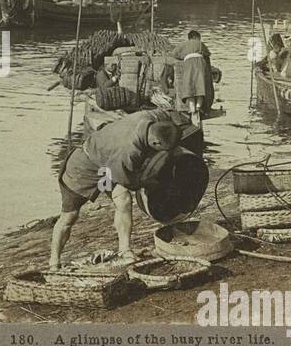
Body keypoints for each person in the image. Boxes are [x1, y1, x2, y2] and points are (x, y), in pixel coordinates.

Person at [50, 109, 191, 269]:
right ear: (156, 144)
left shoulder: (153, 116)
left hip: (107, 163)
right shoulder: (129, 150)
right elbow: (126, 180)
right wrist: (151, 183)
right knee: (69, 216)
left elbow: (179, 117)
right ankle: (54, 262)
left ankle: (124, 250)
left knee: (123, 200)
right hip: (83, 166)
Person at [168, 30, 214, 123]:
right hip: (200, 63)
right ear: (196, 37)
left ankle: (192, 107)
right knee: (200, 84)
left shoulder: (184, 44)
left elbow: (173, 53)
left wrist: (183, 56)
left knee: (189, 84)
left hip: (188, 63)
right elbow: (208, 54)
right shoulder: (200, 43)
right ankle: (198, 106)